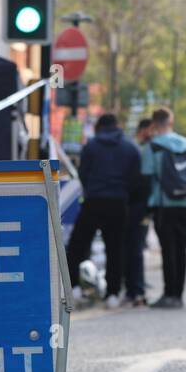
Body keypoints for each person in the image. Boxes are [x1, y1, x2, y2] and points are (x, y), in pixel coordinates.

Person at [66, 113, 139, 308]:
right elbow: (135, 178)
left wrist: (93, 189)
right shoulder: (130, 147)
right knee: (115, 249)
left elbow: (83, 174)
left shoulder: (91, 146)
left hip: (94, 201)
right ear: (117, 125)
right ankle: (113, 294)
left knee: (77, 246)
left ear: (99, 126)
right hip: (118, 203)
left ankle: (73, 288)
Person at [139, 106, 186, 308]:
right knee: (181, 250)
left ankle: (169, 293)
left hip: (163, 204)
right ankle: (179, 295)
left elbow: (146, 178)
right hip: (185, 204)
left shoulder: (152, 147)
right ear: (171, 122)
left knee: (168, 250)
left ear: (154, 124)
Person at [123, 118, 153, 307]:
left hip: (135, 206)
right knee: (135, 250)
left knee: (133, 249)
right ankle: (136, 291)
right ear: (144, 130)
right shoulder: (142, 151)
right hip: (141, 207)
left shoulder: (139, 150)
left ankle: (135, 291)